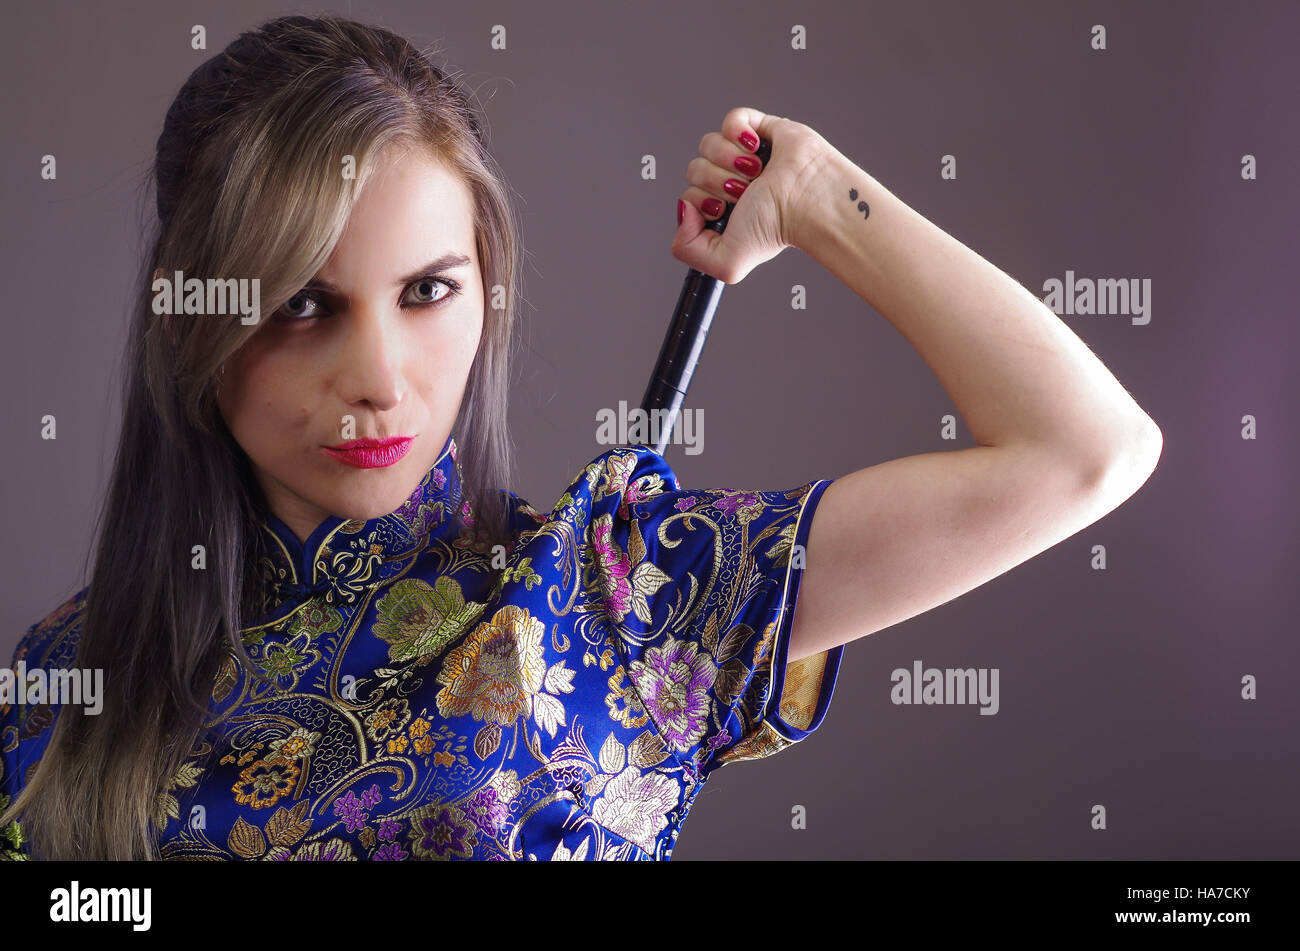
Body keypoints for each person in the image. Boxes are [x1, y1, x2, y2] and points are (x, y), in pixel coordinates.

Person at [0, 14, 1161, 861]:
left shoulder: (614, 590)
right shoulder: (54, 680)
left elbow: (1083, 449)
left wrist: (818, 198)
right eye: (303, 304)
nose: (377, 379)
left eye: (428, 292)